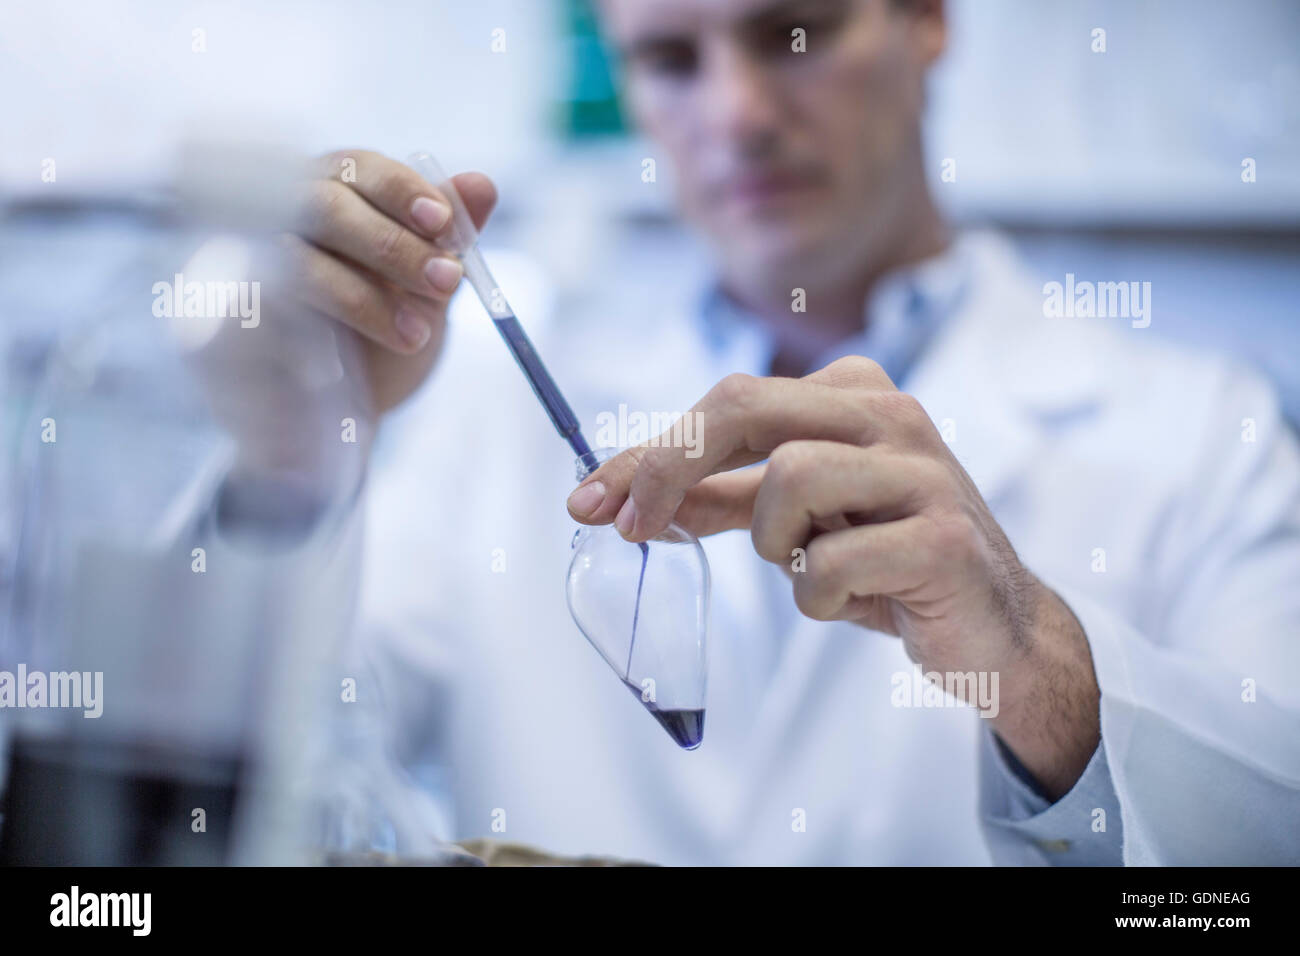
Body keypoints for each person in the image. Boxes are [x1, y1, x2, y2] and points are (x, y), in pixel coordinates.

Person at [276, 0, 1300, 864]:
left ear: (925, 20)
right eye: (671, 59)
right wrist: (292, 448)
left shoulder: (1207, 435)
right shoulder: (492, 412)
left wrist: (1040, 666)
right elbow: (282, 775)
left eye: (793, 32)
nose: (738, 112)